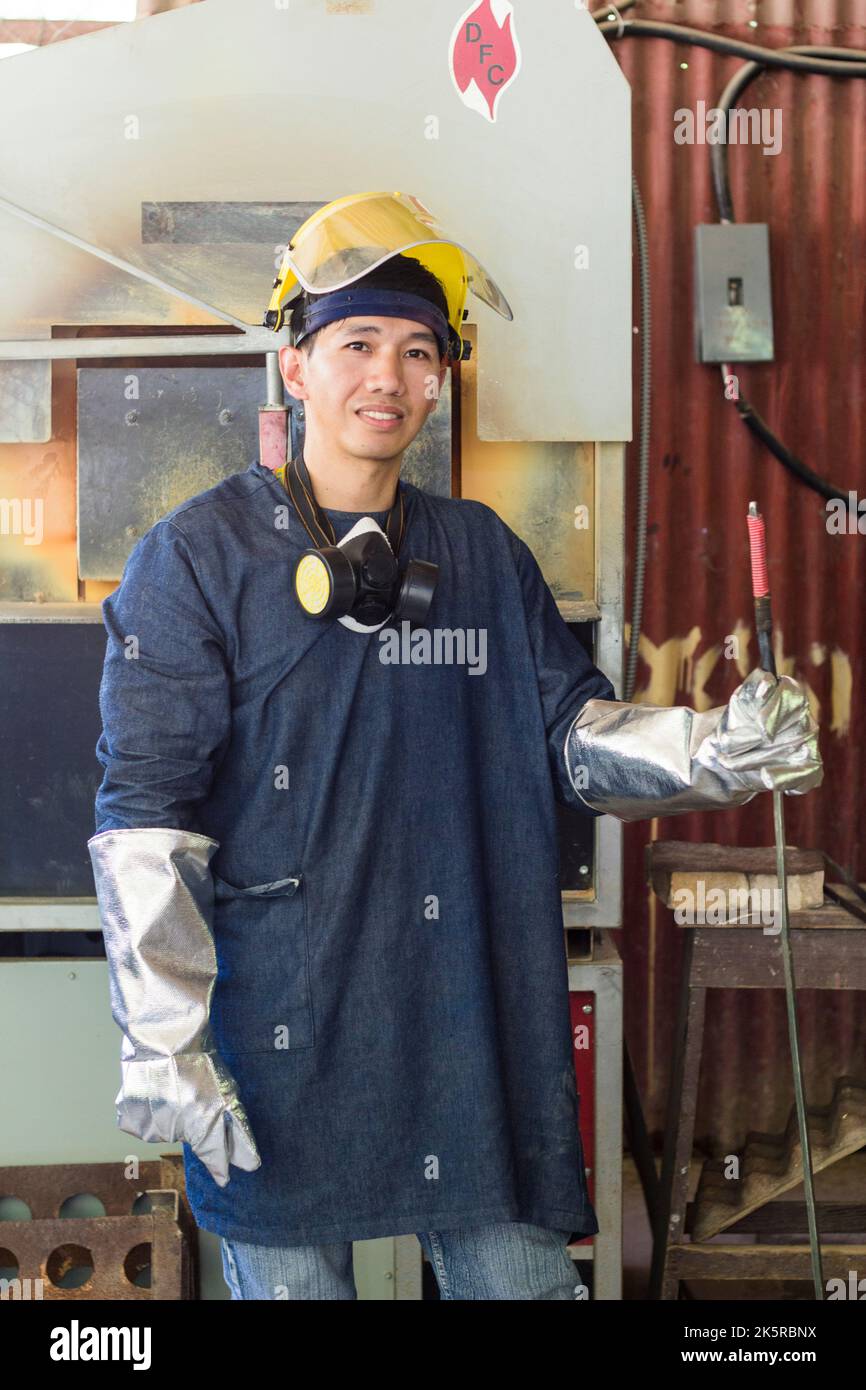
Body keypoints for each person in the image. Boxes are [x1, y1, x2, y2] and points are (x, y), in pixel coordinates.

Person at [87, 194, 822, 1301]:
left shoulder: (477, 553)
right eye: (356, 344)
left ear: (438, 379)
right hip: (277, 1045)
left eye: (416, 351)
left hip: (464, 1031)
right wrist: (163, 1043)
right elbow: (144, 815)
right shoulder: (192, 561)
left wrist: (720, 747)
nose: (386, 375)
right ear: (297, 368)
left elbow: (570, 738)